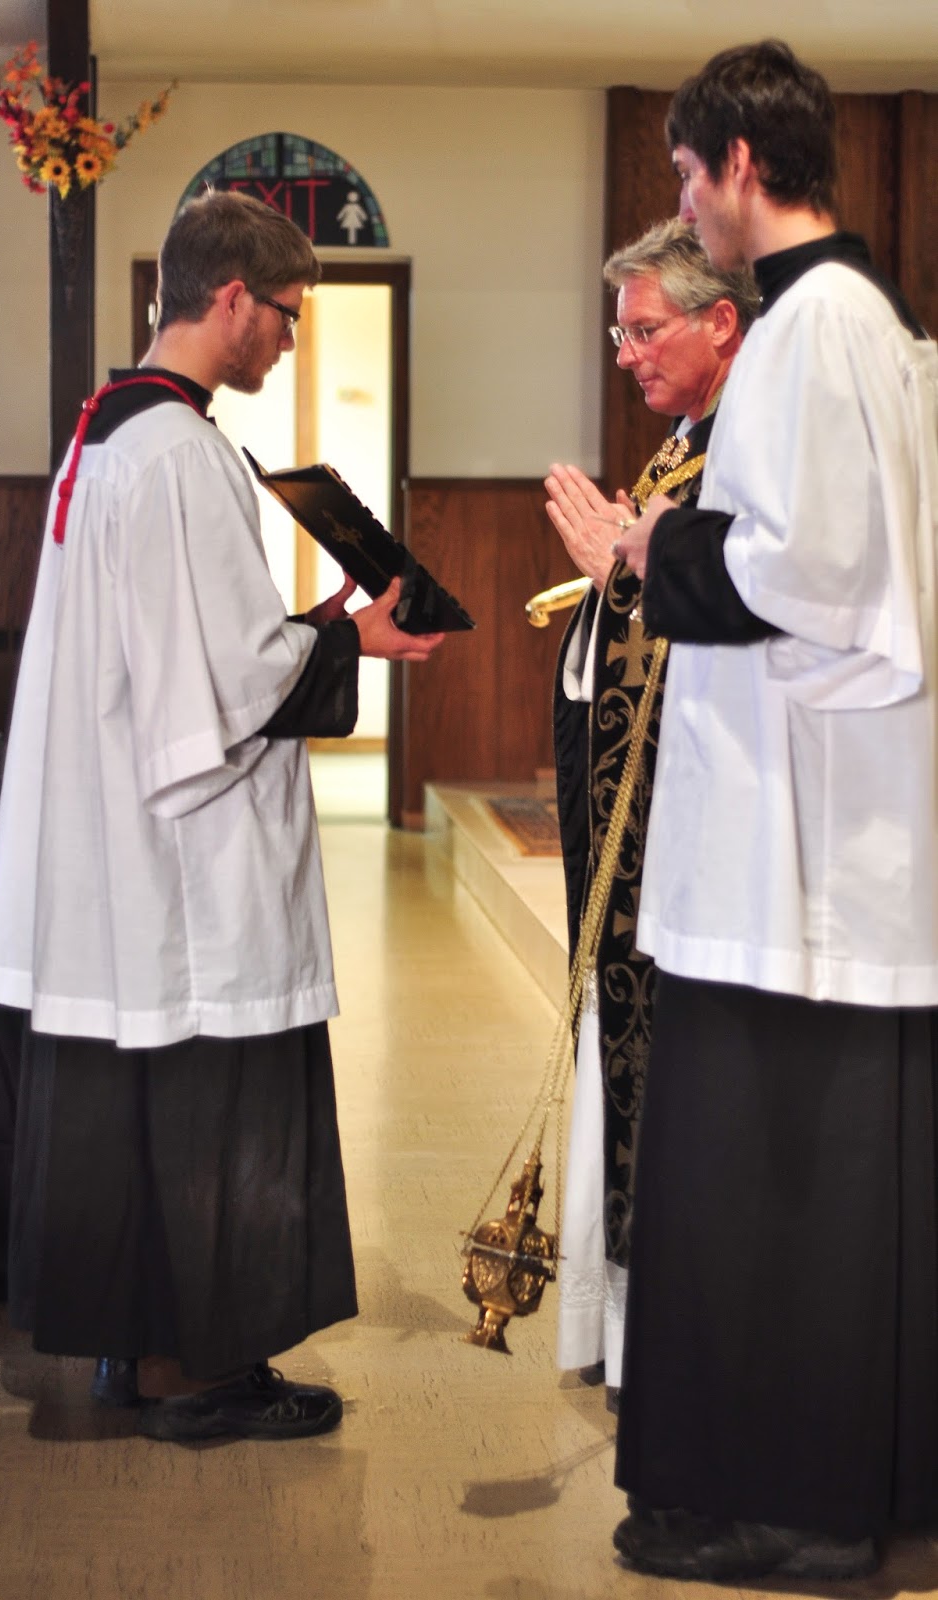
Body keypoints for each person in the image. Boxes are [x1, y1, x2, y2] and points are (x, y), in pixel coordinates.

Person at [0, 191, 444, 1445]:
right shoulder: (181, 451)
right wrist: (353, 634)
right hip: (181, 858)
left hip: (115, 843)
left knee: (136, 1105)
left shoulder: (109, 432)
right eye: (283, 317)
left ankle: (140, 1351)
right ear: (229, 296)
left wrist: (323, 628)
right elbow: (223, 685)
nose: (287, 342)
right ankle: (199, 1373)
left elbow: (190, 651)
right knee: (208, 1100)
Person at [608, 40, 938, 1582]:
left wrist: (652, 551)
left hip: (795, 864)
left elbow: (811, 578)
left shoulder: (816, 327)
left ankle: (796, 1512)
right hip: (817, 844)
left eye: (686, 173)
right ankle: (822, 1483)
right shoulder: (858, 320)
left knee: (783, 1196)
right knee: (814, 1190)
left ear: (742, 164)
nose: (685, 200)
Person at [545, 220, 756, 1412]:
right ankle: (630, 1323)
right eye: (617, 334)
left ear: (719, 322)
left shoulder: (747, 454)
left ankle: (674, 1331)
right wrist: (613, 575)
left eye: (643, 331)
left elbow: (731, 617)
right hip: (639, 830)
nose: (624, 354)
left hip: (701, 836)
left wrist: (629, 566)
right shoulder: (682, 450)